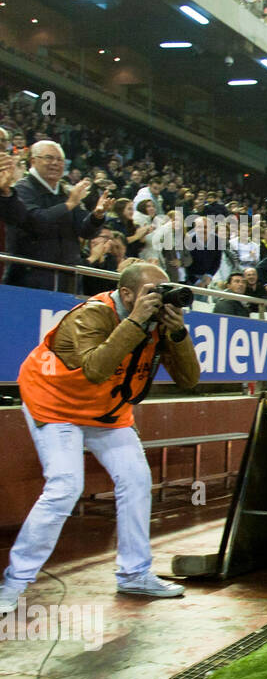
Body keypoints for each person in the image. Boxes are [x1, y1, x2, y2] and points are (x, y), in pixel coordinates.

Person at [0, 262, 201, 616]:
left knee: (137, 480)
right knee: (65, 486)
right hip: (55, 404)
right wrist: (135, 322)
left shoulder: (157, 324)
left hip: (106, 412)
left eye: (164, 290)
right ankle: (14, 583)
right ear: (126, 294)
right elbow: (95, 369)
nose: (159, 298)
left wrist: (178, 334)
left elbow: (189, 380)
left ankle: (134, 573)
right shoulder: (93, 315)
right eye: (151, 291)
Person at [4, 140, 112, 293]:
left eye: (59, 160)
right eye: (49, 158)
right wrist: (68, 204)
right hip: (30, 279)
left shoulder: (65, 191)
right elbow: (35, 222)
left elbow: (85, 232)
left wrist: (97, 216)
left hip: (67, 280)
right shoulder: (23, 188)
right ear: (33, 161)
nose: (55, 163)